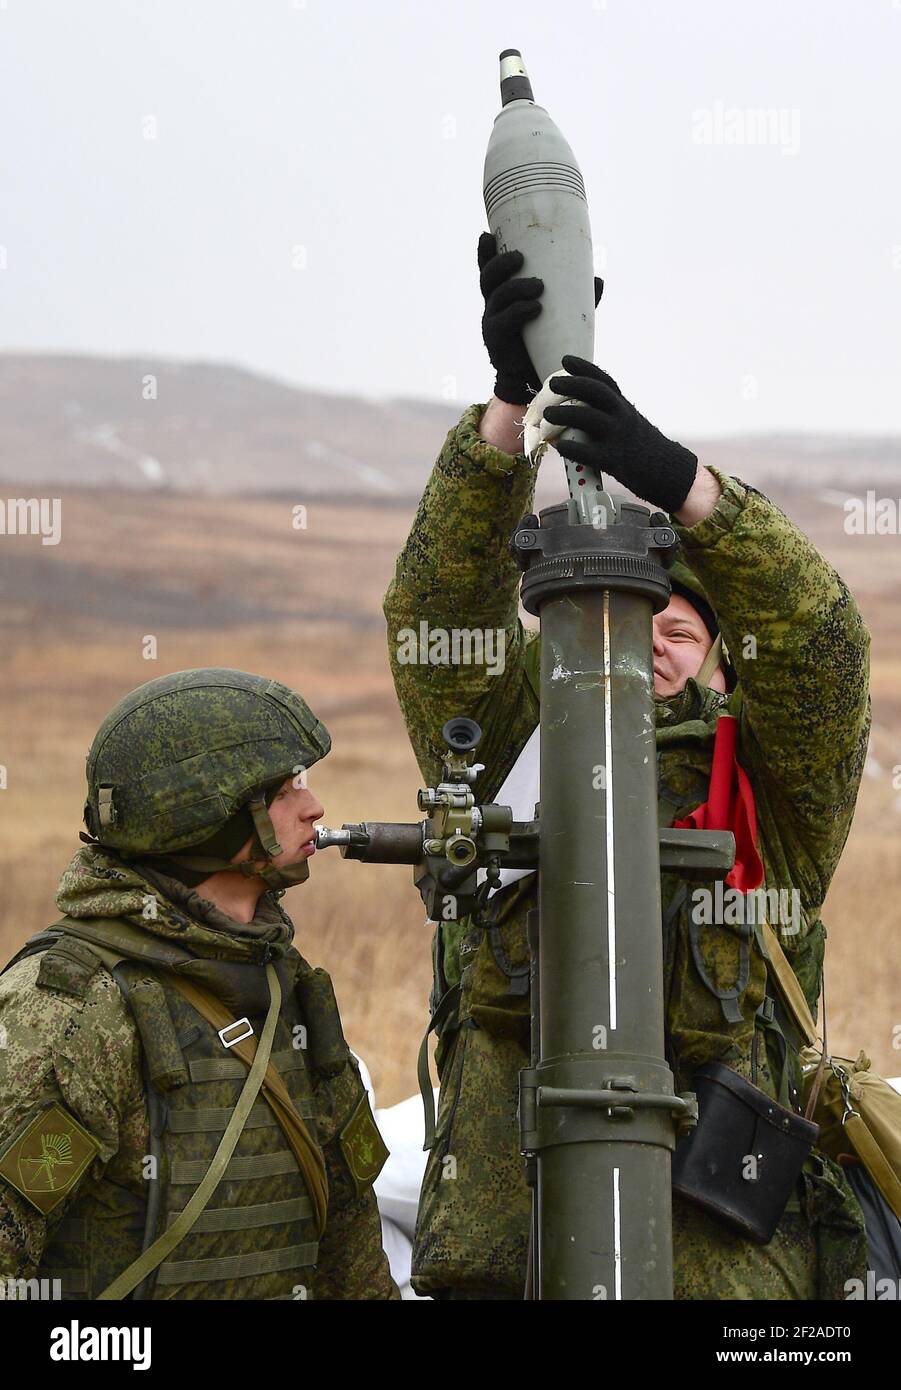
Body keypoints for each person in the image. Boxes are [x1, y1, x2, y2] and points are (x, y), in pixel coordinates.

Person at [382, 235, 871, 1299]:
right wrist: (506, 419)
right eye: (608, 623)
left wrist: (683, 484)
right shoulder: (515, 748)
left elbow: (823, 645)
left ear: (720, 662)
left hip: (720, 1273)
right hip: (510, 1261)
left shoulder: (764, 794)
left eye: (677, 628)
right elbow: (433, 611)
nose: (645, 642)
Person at [0, 667, 398, 1300]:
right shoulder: (71, 1012)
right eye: (284, 789)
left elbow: (349, 1242)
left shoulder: (286, 984)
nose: (314, 807)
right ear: (201, 813)